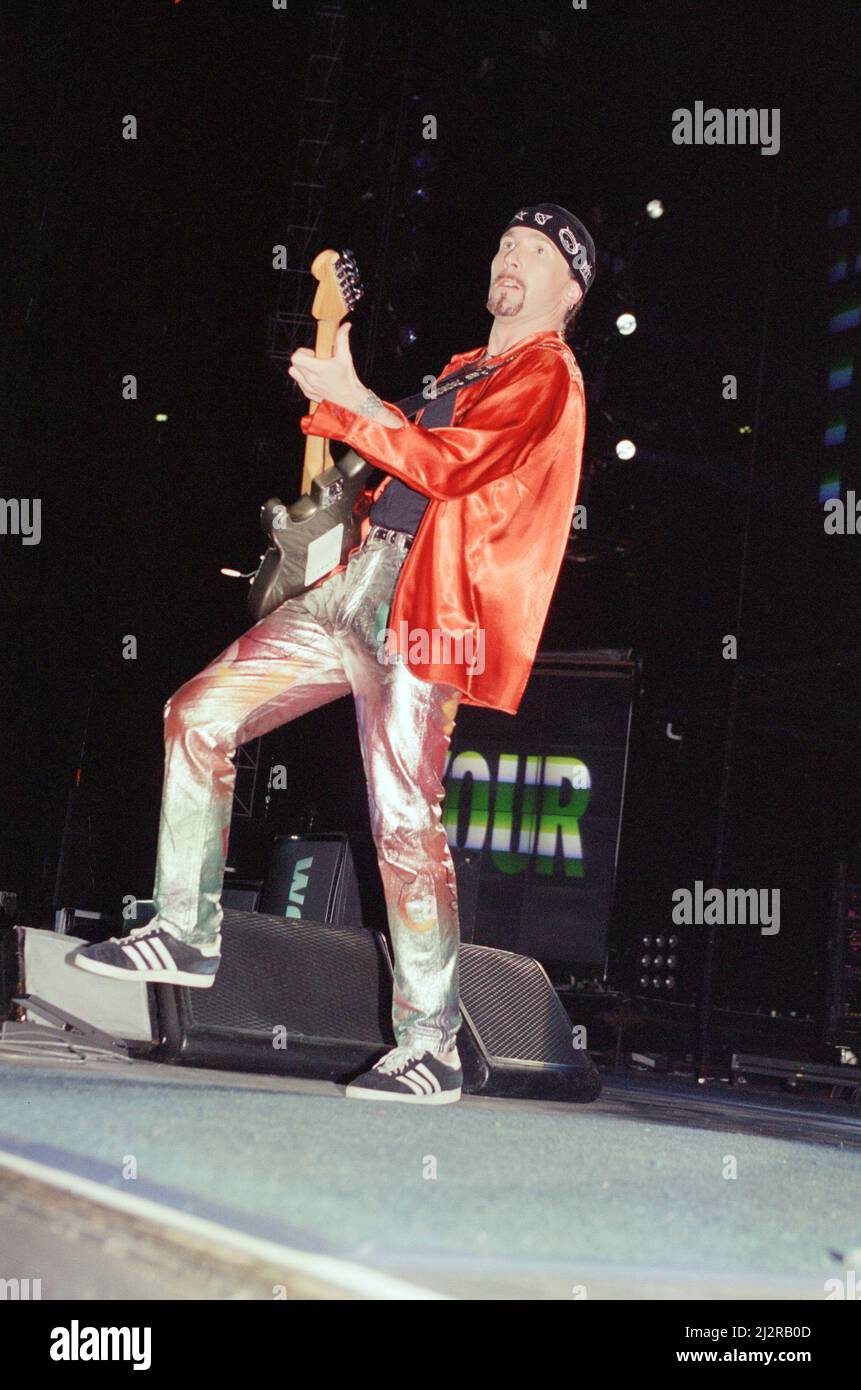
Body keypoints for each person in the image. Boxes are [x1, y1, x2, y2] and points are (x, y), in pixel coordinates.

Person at [72, 203, 594, 1106]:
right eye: (504, 241)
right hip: (355, 588)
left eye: (535, 251)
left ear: (569, 286)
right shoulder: (469, 367)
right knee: (198, 712)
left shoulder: (549, 375)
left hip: (429, 613)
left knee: (401, 813)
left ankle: (429, 1043)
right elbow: (395, 463)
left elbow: (452, 467)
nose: (509, 255)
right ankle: (187, 928)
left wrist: (354, 406)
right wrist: (352, 405)